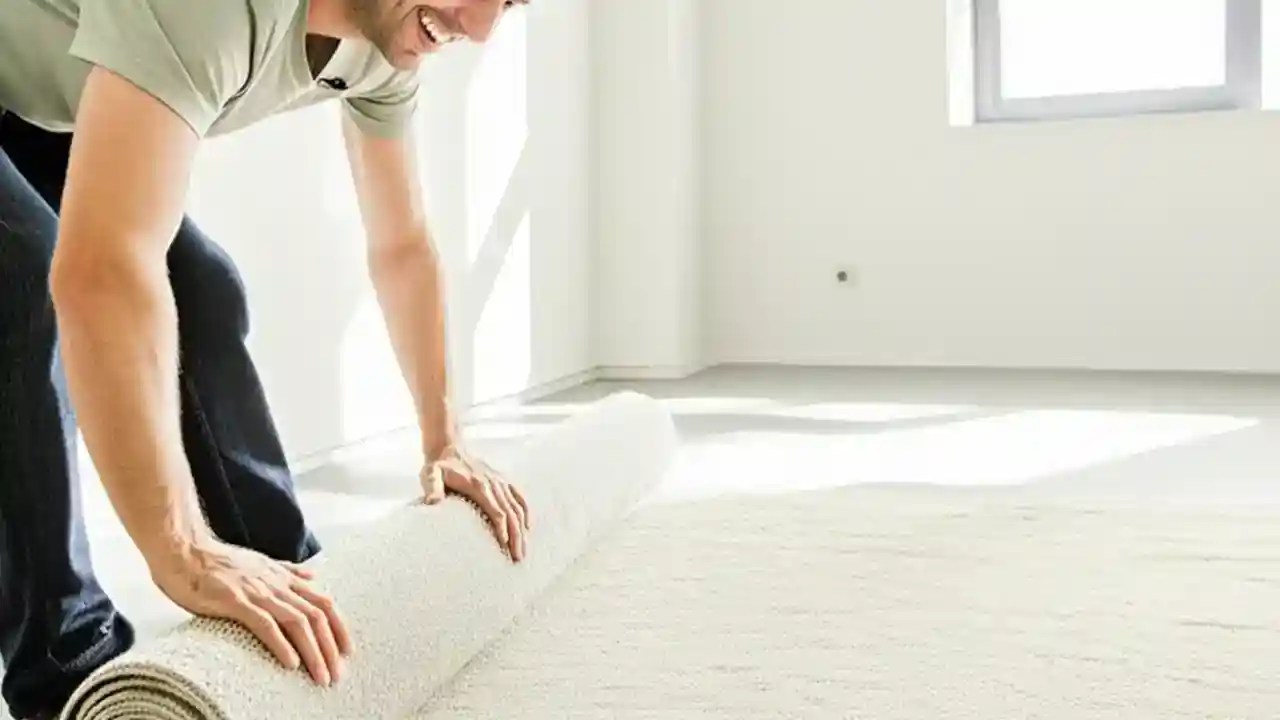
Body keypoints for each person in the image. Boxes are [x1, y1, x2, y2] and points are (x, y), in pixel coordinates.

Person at [0, 0, 534, 716]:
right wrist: (180, 552)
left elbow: (402, 245)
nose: (479, 27)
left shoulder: (386, 42)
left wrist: (447, 441)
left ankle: (297, 584)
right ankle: (69, 680)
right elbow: (101, 276)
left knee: (204, 291)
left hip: (39, 98)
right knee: (25, 279)